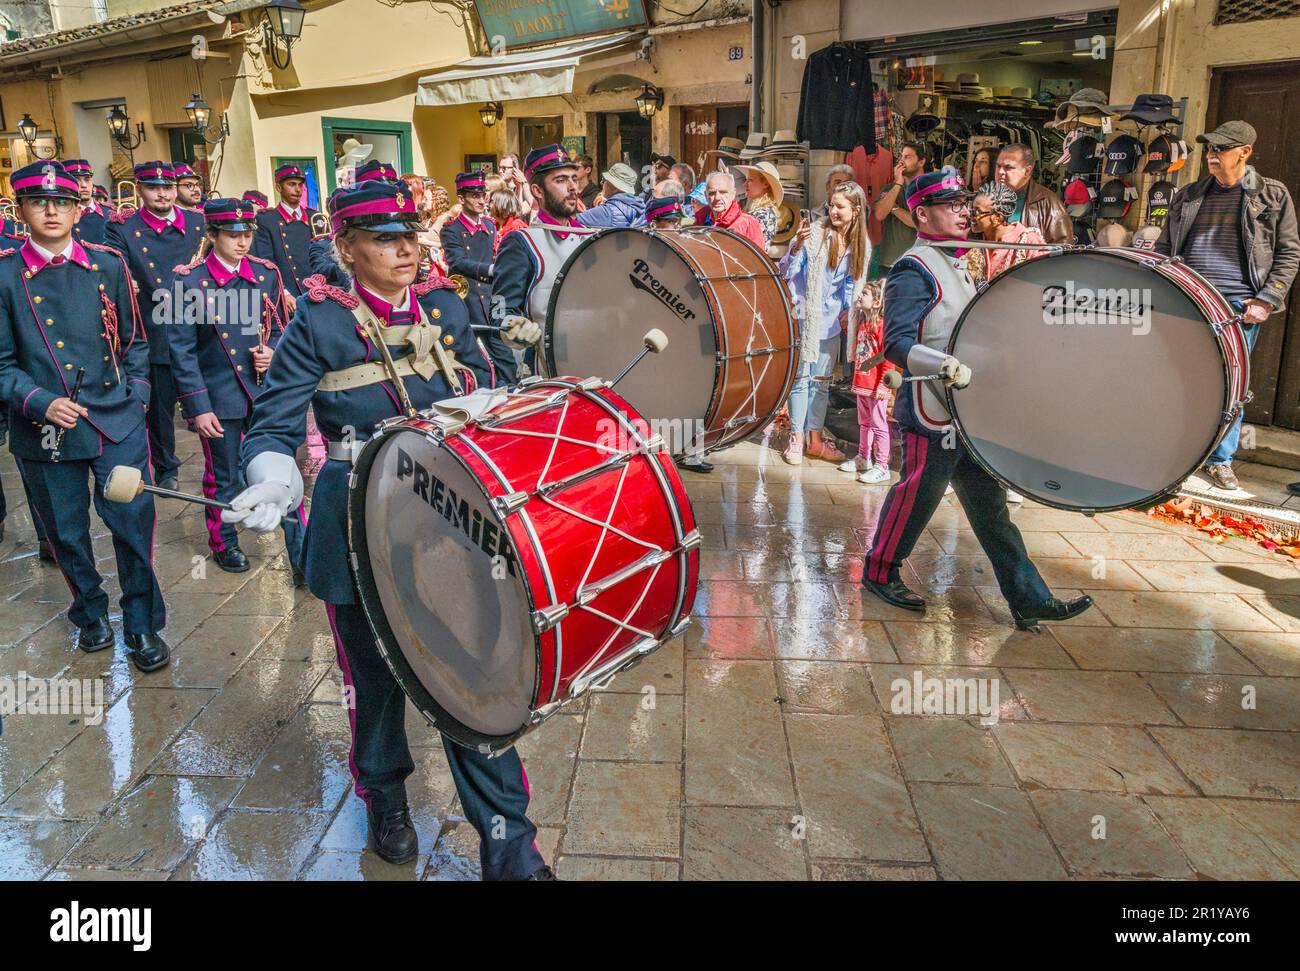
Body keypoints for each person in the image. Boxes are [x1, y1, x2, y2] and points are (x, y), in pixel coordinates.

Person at [220, 181, 552, 879]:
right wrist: (275, 477)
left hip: (445, 518)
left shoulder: (448, 301)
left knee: (475, 675)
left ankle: (511, 846)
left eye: (411, 233)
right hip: (355, 520)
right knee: (373, 681)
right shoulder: (317, 321)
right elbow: (273, 423)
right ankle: (386, 797)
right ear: (345, 247)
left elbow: (484, 393)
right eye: (383, 238)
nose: (406, 248)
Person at [861, 167, 1093, 631]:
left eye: (963, 203)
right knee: (917, 495)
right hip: (930, 407)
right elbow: (896, 344)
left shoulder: (958, 260)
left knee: (991, 510)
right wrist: (941, 365)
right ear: (922, 213)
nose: (963, 211)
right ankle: (879, 570)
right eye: (950, 205)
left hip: (963, 409)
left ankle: (1028, 597)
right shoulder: (914, 268)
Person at [0, 160, 170, 671]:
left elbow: (137, 341)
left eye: (62, 202)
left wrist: (137, 395)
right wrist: (39, 401)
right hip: (46, 429)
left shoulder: (108, 263)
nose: (51, 211)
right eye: (39, 202)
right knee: (66, 532)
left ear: (79, 208)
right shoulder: (5, 274)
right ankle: (90, 611)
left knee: (132, 526)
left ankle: (142, 626)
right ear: (22, 210)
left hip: (116, 420)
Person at [1155, 120, 1299, 491]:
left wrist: (1267, 299)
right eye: (1210, 149)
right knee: (1176, 381)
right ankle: (1176, 454)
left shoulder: (1272, 195)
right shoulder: (1188, 194)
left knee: (1230, 385)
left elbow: (1288, 253)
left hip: (1237, 305)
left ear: (1245, 152)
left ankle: (1220, 460)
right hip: (1187, 298)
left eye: (1221, 149)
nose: (1213, 156)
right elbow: (1164, 248)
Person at [165, 197, 305, 577]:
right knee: (222, 475)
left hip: (262, 392)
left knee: (282, 469)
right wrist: (198, 405)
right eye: (232, 234)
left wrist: (272, 350)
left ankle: (301, 551)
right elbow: (181, 349)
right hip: (219, 395)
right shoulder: (188, 281)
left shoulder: (265, 273)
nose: (242, 242)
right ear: (212, 235)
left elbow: (280, 327)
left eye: (247, 233)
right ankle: (224, 541)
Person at [106, 161, 206, 491]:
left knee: (213, 393)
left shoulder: (198, 221)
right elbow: (116, 265)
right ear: (139, 190)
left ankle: (225, 458)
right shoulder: (123, 228)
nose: (162, 193)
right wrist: (126, 282)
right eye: (153, 187)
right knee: (160, 406)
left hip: (200, 320)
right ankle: (166, 466)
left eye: (167, 187)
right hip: (155, 323)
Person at [779, 180, 871, 465]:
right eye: (831, 205)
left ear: (856, 210)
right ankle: (796, 438)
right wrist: (797, 246)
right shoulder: (816, 235)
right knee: (799, 380)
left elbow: (851, 284)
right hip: (805, 317)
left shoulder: (861, 244)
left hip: (831, 322)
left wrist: (848, 311)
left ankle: (815, 438)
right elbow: (787, 272)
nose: (833, 211)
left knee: (821, 383)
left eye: (840, 206)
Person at [491, 144, 589, 379]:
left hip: (595, 365)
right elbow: (500, 308)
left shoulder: (590, 236)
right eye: (561, 180)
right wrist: (513, 325)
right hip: (549, 375)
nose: (573, 187)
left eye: (574, 178)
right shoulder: (522, 242)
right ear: (537, 190)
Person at [442, 170, 515, 382]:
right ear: (461, 198)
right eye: (475, 195)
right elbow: (456, 261)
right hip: (467, 300)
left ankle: (511, 391)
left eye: (483, 194)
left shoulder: (490, 226)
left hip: (489, 299)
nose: (482, 200)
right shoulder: (452, 229)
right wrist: (490, 270)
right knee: (471, 358)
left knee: (504, 355)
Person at [840, 281, 894, 483]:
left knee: (879, 424)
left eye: (865, 294)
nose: (859, 297)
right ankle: (864, 457)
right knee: (864, 423)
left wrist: (884, 383)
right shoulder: (863, 323)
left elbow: (887, 357)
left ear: (877, 302)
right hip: (863, 384)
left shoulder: (881, 326)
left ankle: (882, 465)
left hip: (876, 386)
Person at [253, 164, 318, 314]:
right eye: (291, 184)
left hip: (316, 292)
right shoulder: (267, 220)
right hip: (288, 298)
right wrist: (285, 293)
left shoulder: (314, 217)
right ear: (278, 188)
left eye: (300, 185)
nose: (298, 189)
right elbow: (266, 262)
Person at [966, 182, 1047, 283]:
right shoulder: (972, 239)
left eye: (977, 212)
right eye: (971, 209)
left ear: (997, 218)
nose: (970, 215)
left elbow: (1044, 280)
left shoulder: (1029, 242)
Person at [993, 144, 1071, 244]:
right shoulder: (986, 199)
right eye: (998, 166)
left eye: (1008, 167)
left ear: (1027, 171)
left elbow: (1063, 246)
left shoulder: (1048, 202)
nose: (1000, 172)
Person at [871, 141, 926, 274]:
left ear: (921, 162)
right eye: (901, 157)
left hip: (918, 263)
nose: (901, 161)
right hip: (888, 263)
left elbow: (920, 222)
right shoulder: (890, 188)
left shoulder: (928, 189)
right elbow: (879, 214)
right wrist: (898, 184)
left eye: (907, 157)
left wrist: (894, 208)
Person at [693, 171, 766, 250]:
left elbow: (757, 260)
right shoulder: (699, 222)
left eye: (723, 192)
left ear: (733, 193)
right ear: (705, 195)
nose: (717, 197)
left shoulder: (748, 224)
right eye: (712, 193)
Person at [576, 162, 646, 228]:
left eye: (604, 180)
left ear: (614, 187)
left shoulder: (607, 211)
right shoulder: (639, 208)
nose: (601, 183)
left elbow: (570, 222)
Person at [735, 160, 783, 248]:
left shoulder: (764, 214)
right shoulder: (762, 211)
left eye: (750, 180)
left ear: (765, 184)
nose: (744, 184)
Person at [63, 160, 109, 247]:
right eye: (77, 180)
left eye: (87, 179)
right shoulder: (61, 216)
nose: (84, 185)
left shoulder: (111, 213)